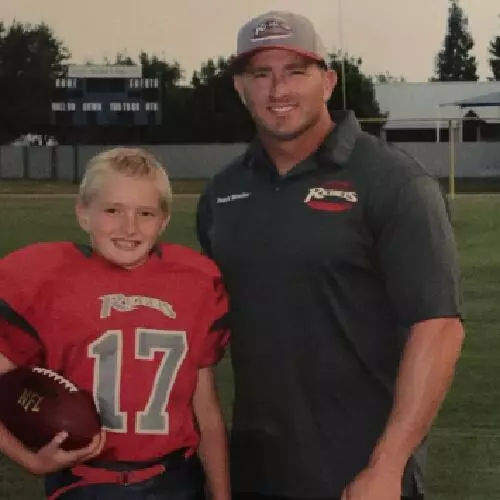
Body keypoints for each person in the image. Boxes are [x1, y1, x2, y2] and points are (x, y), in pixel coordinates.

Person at [196, 10, 464, 500]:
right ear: (241, 87)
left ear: (328, 80)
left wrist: (387, 466)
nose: (278, 90)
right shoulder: (222, 194)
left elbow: (438, 328)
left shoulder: (393, 183)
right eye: (261, 74)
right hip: (257, 471)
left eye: (295, 71)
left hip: (362, 472)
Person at [0, 147, 230, 500]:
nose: (129, 227)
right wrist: (29, 461)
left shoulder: (194, 282)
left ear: (163, 221)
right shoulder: (45, 280)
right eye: (112, 210)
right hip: (84, 483)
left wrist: (221, 494)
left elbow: (206, 409)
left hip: (175, 481)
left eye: (146, 213)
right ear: (83, 214)